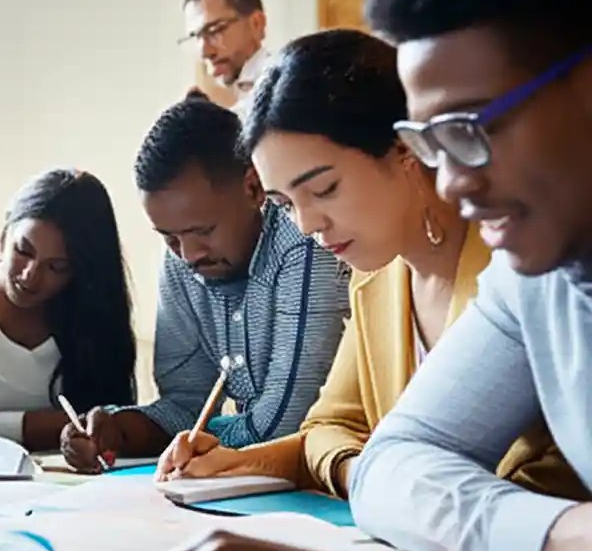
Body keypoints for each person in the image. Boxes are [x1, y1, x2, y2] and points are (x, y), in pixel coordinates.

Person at [140, 0, 592, 551]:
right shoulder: (533, 278)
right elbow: (390, 458)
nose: (455, 180)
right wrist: (566, 538)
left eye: (477, 126)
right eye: (434, 141)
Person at [155, 29, 588, 503]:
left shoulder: (528, 259)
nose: (307, 225)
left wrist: (391, 483)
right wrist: (240, 462)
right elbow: (327, 427)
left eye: (323, 190)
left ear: (403, 149)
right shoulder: (376, 280)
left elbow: (550, 474)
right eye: (285, 204)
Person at [60, 99, 349, 472]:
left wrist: (186, 443)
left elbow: (283, 426)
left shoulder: (305, 242)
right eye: (169, 237)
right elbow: (185, 405)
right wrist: (118, 429)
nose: (189, 254)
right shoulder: (180, 263)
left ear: (253, 187)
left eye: (203, 231)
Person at [0, 168, 136, 450]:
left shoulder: (92, 317)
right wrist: (47, 427)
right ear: (5, 232)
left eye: (57, 266)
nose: (30, 275)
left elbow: (108, 423)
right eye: (23, 250)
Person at [179, 0, 270, 119]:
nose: (205, 52)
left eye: (214, 31)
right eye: (196, 37)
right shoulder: (204, 99)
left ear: (256, 23)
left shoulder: (288, 84)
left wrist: (223, 112)